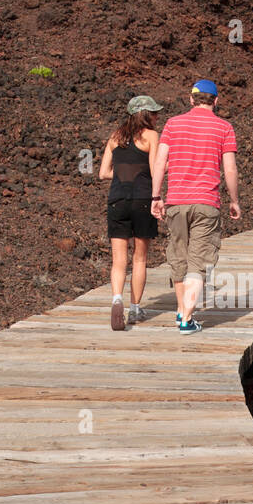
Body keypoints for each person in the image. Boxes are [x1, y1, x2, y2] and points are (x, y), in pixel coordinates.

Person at [150, 78, 240, 334]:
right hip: (207, 203)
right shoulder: (224, 128)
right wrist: (234, 200)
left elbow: (159, 163)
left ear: (191, 99)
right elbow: (230, 168)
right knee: (198, 262)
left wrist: (156, 197)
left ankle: (182, 311)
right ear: (216, 101)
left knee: (179, 258)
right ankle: (187, 319)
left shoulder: (172, 124)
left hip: (176, 201)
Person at [99, 94, 162, 330]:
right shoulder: (151, 136)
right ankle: (135, 308)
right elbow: (156, 170)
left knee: (118, 260)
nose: (157, 117)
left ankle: (117, 299)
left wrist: (122, 173)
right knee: (140, 258)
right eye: (154, 113)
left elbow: (103, 172)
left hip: (117, 199)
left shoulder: (115, 136)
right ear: (145, 115)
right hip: (142, 199)